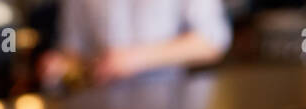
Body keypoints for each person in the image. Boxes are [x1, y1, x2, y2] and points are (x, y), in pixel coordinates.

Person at [38, 0, 232, 88]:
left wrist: (136, 59)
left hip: (165, 105)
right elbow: (72, 47)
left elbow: (213, 40)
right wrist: (60, 65)